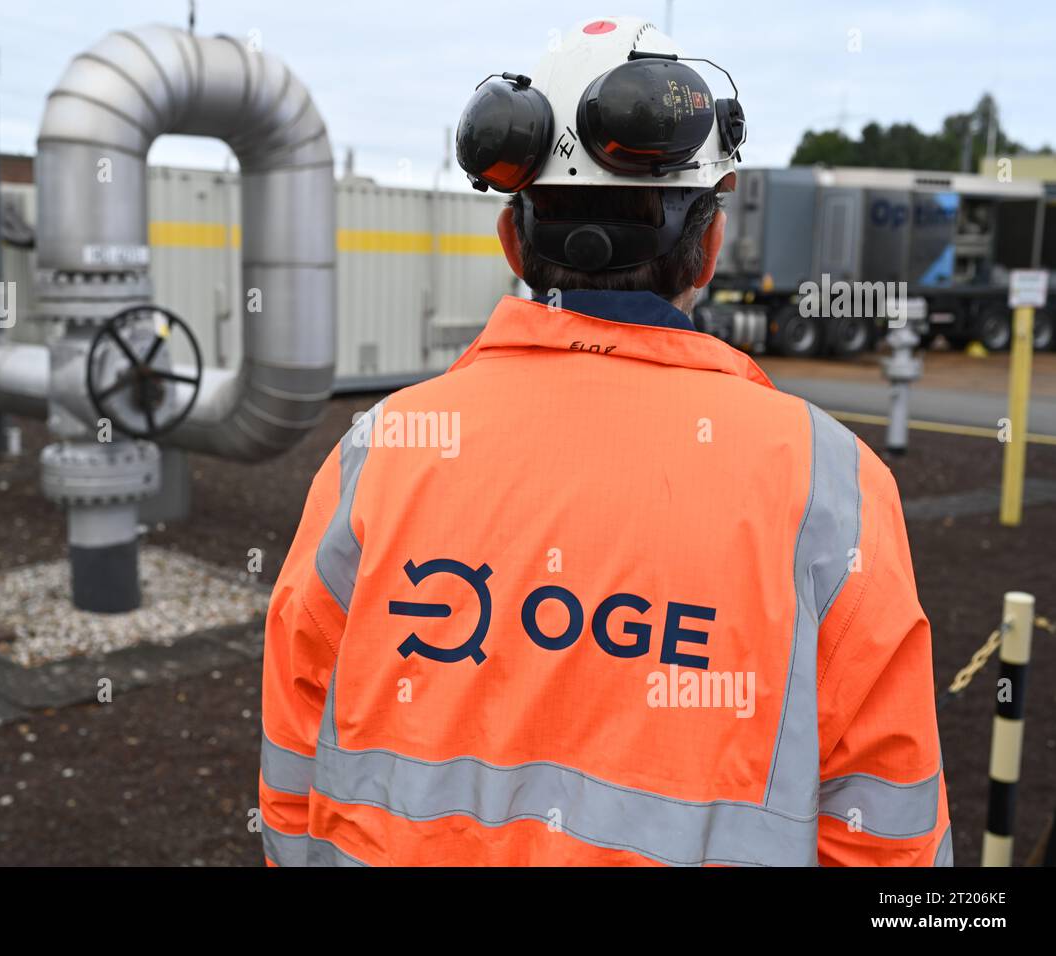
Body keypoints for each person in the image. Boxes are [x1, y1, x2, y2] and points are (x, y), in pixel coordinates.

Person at [259, 16, 950, 866]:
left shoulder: (379, 453)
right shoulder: (832, 488)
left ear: (512, 238)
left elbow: (292, 769)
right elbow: (891, 833)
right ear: (709, 248)